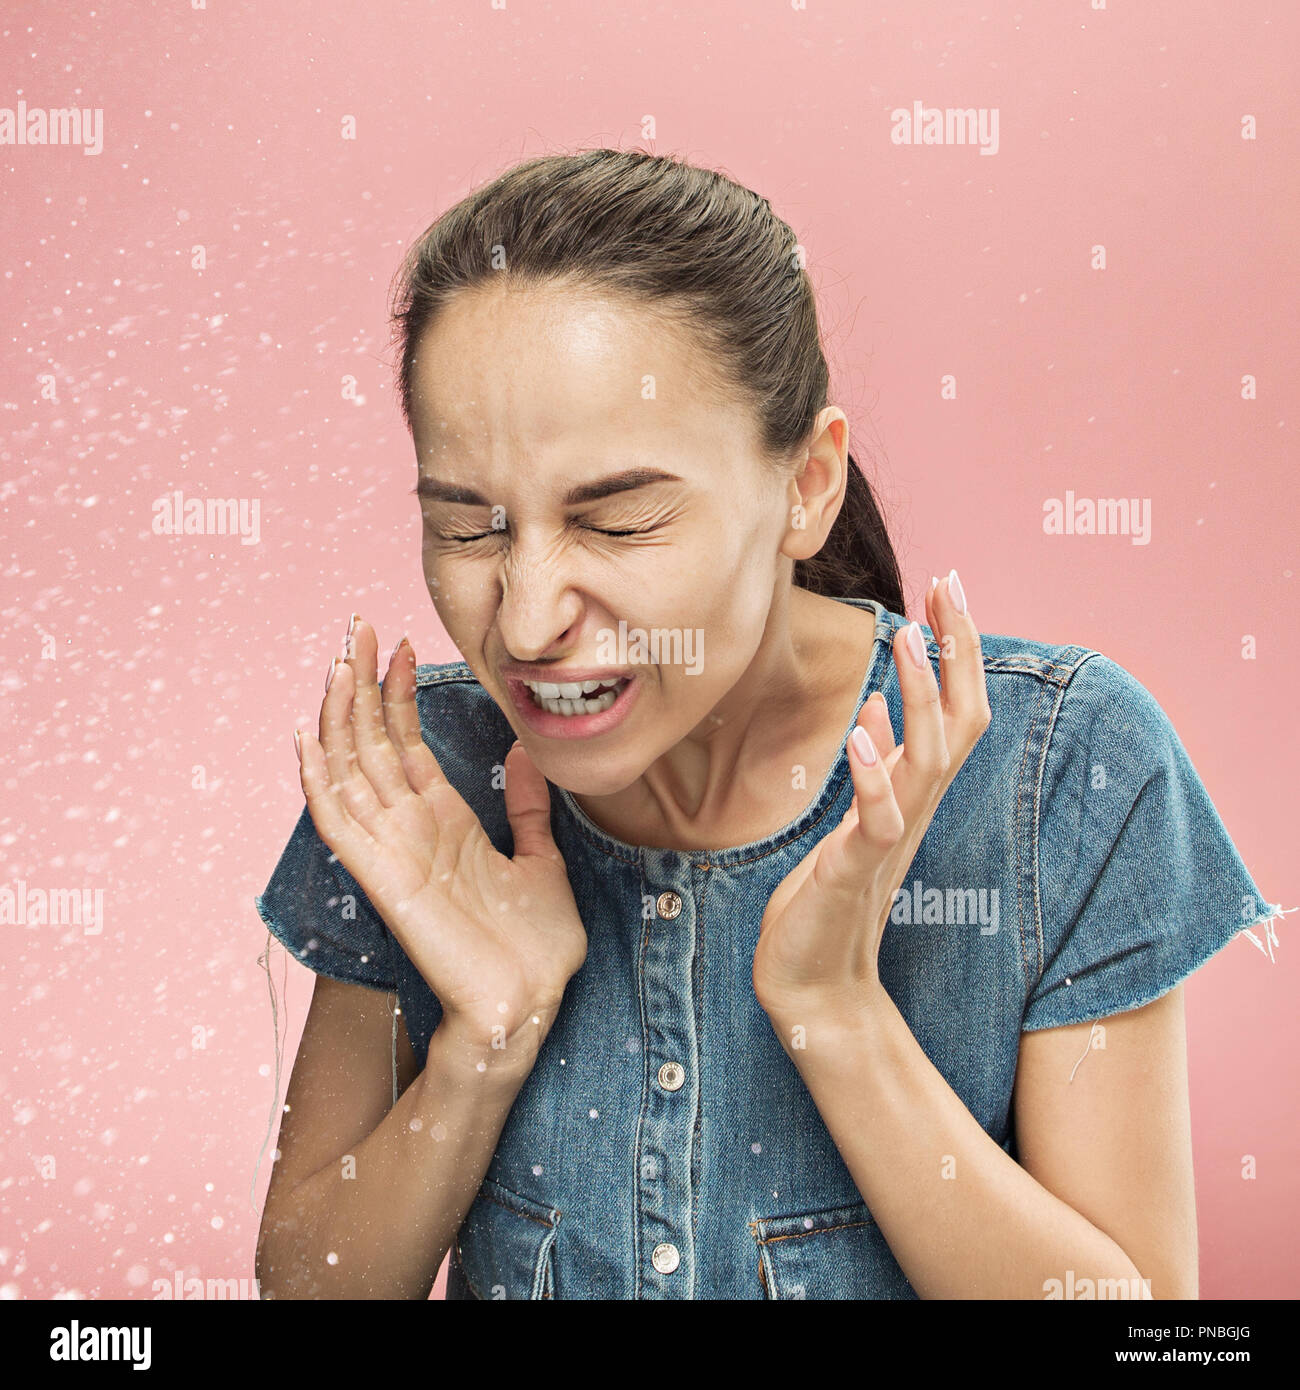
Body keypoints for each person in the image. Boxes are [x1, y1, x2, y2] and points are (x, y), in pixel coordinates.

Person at [252, 149, 1280, 1300]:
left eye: (621, 523)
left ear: (805, 485)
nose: (529, 623)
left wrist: (839, 1014)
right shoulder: (423, 785)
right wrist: (481, 1042)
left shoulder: (1060, 774)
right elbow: (309, 1289)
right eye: (471, 528)